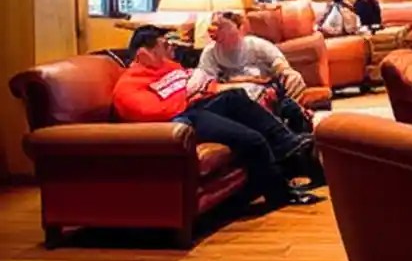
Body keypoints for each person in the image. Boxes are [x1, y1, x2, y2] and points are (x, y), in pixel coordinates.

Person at [113, 26, 321, 208]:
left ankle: (289, 146)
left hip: (198, 105)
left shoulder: (168, 67)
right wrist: (190, 93)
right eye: (163, 46)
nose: (171, 50)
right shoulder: (129, 86)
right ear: (143, 54)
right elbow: (154, 114)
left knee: (234, 96)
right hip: (183, 120)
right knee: (253, 140)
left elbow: (202, 83)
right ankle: (280, 195)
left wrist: (222, 86)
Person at [199, 12, 312, 135]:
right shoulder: (210, 54)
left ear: (240, 28)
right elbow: (207, 85)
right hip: (239, 103)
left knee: (291, 97)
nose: (220, 32)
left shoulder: (256, 45)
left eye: (225, 27)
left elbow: (279, 64)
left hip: (270, 96)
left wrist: (288, 74)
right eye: (216, 27)